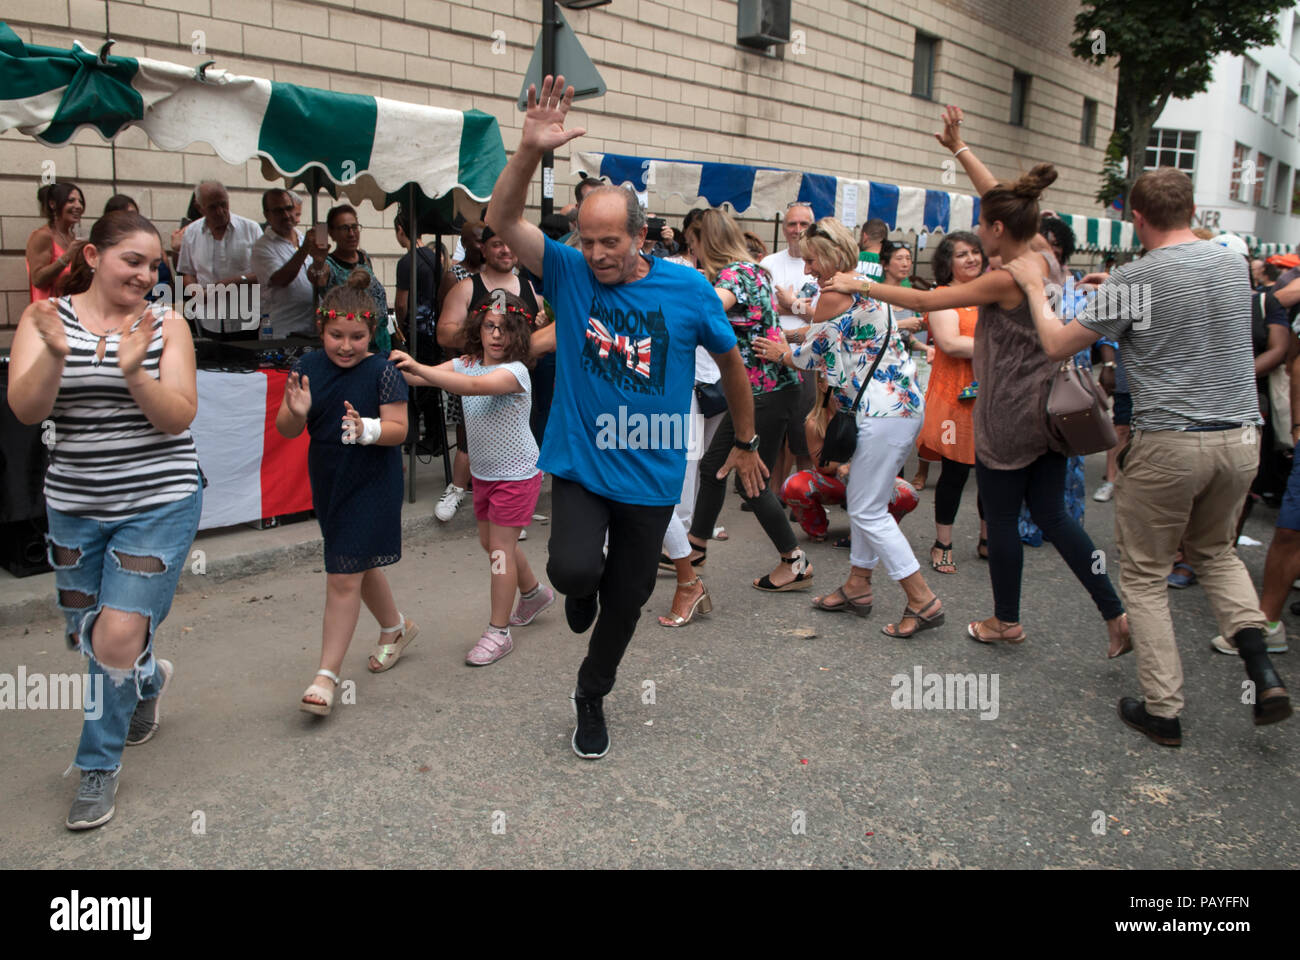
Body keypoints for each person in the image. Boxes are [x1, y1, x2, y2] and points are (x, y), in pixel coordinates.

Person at [485, 75, 764, 760]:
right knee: (576, 571)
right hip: (582, 457)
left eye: (612, 241)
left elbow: (732, 366)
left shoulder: (689, 289)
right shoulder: (570, 274)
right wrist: (526, 150)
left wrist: (748, 438)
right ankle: (579, 589)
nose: (599, 254)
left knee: (631, 595)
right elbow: (500, 221)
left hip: (652, 466)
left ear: (641, 236)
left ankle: (592, 691)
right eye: (589, 241)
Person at [1008, 165, 1291, 743]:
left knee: (1144, 572)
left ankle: (1163, 709)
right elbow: (1182, 293)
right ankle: (1263, 671)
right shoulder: (1232, 266)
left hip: (1171, 442)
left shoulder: (1137, 280)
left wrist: (1039, 291)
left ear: (1137, 218)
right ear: (1191, 210)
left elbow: (1060, 341)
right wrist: (1113, 286)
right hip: (1240, 436)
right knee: (1215, 552)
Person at [827, 146, 1128, 657]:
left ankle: (1005, 621)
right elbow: (1005, 202)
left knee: (1004, 518)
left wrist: (863, 283)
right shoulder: (1042, 258)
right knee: (1055, 517)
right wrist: (960, 150)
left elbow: (924, 300)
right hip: (1051, 412)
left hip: (1009, 414)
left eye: (982, 224)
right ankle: (1114, 611)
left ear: (993, 230)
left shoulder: (1004, 278)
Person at [8, 211, 202, 830]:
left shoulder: (167, 325)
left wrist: (129, 371)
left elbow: (178, 417)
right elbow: (25, 408)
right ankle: (146, 682)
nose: (146, 275)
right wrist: (60, 357)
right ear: (93, 256)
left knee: (114, 636)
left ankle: (97, 767)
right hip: (75, 506)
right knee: (88, 637)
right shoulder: (45, 320)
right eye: (132, 261)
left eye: (153, 265)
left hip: (158, 499)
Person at [755, 218, 941, 636]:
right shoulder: (856, 287)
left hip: (882, 413)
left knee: (868, 509)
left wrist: (778, 352)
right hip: (897, 406)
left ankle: (921, 598)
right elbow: (828, 339)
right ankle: (858, 585)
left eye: (812, 261)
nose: (806, 270)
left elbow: (810, 354)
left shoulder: (838, 293)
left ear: (834, 256)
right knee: (865, 500)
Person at [391, 289, 555, 663]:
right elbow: (423, 380)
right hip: (483, 474)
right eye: (489, 326)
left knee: (499, 551)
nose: (497, 335)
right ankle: (533, 593)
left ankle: (499, 632)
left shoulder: (514, 372)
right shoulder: (467, 363)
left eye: (506, 328)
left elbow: (472, 386)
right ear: (478, 330)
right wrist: (389, 365)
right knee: (494, 545)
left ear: (520, 335)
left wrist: (420, 368)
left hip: (517, 476)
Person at [276, 270, 413, 716]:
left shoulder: (385, 370)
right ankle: (394, 628)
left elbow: (399, 430)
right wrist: (296, 413)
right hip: (330, 478)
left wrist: (367, 428)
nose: (347, 345)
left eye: (357, 336)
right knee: (354, 559)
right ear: (322, 329)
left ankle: (326, 676)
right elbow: (287, 427)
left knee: (342, 575)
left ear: (372, 333)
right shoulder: (306, 368)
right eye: (337, 335)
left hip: (373, 480)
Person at [683, 208, 810, 594]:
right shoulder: (754, 269)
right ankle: (696, 546)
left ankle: (794, 560)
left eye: (694, 245)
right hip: (771, 387)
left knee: (748, 479)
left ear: (708, 241)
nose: (694, 253)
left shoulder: (733, 276)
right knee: (716, 469)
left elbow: (708, 308)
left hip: (763, 391)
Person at [437, 224, 541, 522]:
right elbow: (444, 333)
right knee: (472, 438)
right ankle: (458, 488)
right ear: (484, 248)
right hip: (475, 373)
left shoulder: (528, 287)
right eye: (497, 244)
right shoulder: (467, 286)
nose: (506, 250)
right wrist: (481, 345)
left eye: (510, 244)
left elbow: (532, 334)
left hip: (517, 379)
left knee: (516, 437)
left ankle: (516, 502)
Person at [917, 231, 988, 573]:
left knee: (991, 472)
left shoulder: (989, 294)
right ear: (948, 262)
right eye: (962, 254)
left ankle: (988, 538)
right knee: (955, 473)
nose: (972, 259)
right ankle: (942, 542)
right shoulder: (942, 296)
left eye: (975, 252)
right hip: (954, 398)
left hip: (991, 395)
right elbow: (951, 343)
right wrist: (1001, 345)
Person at [761, 202, 820, 502]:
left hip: (808, 359)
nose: (797, 230)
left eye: (803, 225)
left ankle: (804, 499)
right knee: (772, 430)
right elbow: (762, 309)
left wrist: (791, 305)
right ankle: (772, 495)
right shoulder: (769, 263)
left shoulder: (819, 264)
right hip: (771, 355)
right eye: (791, 224)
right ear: (784, 227)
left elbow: (825, 316)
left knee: (802, 433)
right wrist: (798, 307)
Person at [394, 208, 456, 456]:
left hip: (416, 332)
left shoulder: (406, 262)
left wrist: (400, 329)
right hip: (433, 328)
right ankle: (435, 436)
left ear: (400, 231)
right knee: (432, 384)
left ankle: (425, 437)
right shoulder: (434, 257)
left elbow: (401, 303)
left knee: (417, 385)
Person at [176, 180, 263, 336]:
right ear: (199, 208)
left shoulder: (251, 229)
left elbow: (265, 272)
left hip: (246, 318)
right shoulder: (191, 233)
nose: (220, 211)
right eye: (213, 207)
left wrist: (233, 282)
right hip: (209, 319)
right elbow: (186, 271)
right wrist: (196, 293)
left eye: (223, 204)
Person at [308, 204, 391, 351]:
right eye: (344, 228)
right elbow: (318, 278)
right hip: (353, 345)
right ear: (332, 233)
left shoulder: (364, 257)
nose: (351, 233)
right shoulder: (329, 264)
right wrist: (318, 262)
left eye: (354, 227)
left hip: (380, 341)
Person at [250, 188, 324, 338]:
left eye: (289, 208)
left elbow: (319, 278)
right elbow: (280, 279)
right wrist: (304, 250)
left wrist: (321, 261)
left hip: (313, 329)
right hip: (283, 332)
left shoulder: (303, 238)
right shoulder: (262, 246)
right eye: (278, 211)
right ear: (267, 215)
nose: (285, 215)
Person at [103, 195, 175, 302]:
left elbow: (169, 279)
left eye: (154, 267)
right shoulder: (107, 247)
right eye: (133, 262)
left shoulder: (152, 242)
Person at [26, 182, 86, 302]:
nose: (78, 206)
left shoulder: (72, 236)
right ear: (53, 204)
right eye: (71, 201)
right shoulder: (42, 236)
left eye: (80, 201)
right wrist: (67, 256)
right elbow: (38, 280)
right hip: (49, 312)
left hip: (72, 310)